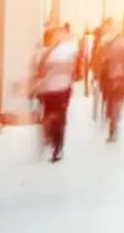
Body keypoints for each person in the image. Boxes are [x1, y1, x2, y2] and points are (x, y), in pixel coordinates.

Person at [34, 24, 76, 162]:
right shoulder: (63, 51)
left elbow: (39, 71)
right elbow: (71, 70)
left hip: (54, 89)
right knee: (56, 117)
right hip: (58, 89)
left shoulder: (49, 52)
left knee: (53, 116)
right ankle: (56, 144)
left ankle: (55, 144)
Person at [96, 19, 124, 143]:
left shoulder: (104, 43)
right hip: (121, 78)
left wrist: (97, 77)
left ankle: (112, 125)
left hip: (108, 79)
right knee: (117, 104)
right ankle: (114, 125)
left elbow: (98, 61)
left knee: (110, 103)